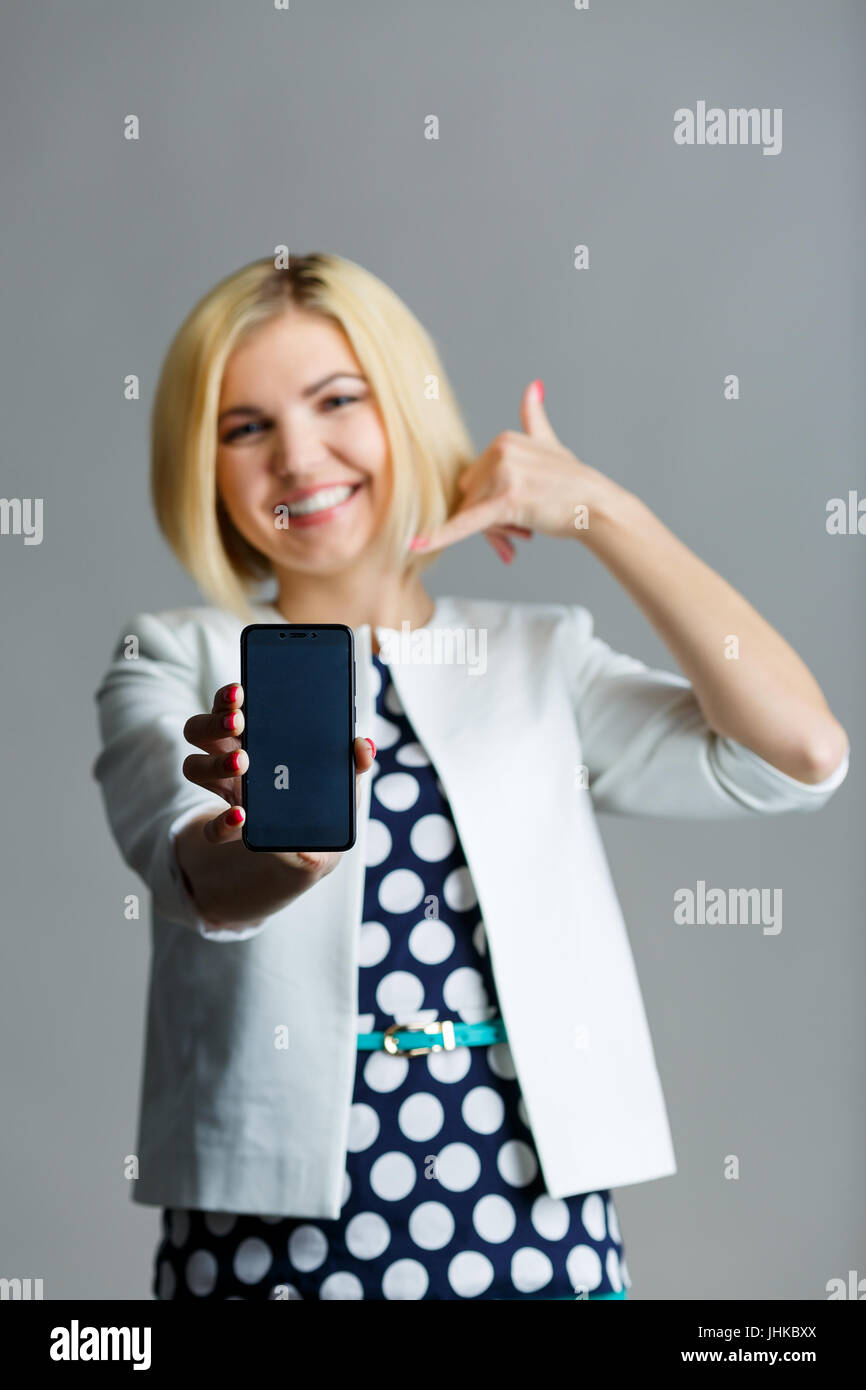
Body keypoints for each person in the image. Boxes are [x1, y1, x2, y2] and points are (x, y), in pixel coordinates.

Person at [92, 252, 850, 1301]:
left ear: (402, 406)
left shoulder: (538, 656)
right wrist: (277, 849)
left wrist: (601, 513)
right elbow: (191, 872)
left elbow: (797, 756)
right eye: (244, 426)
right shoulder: (175, 654)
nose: (298, 456)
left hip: (531, 1220)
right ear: (204, 465)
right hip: (266, 1238)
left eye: (336, 400)